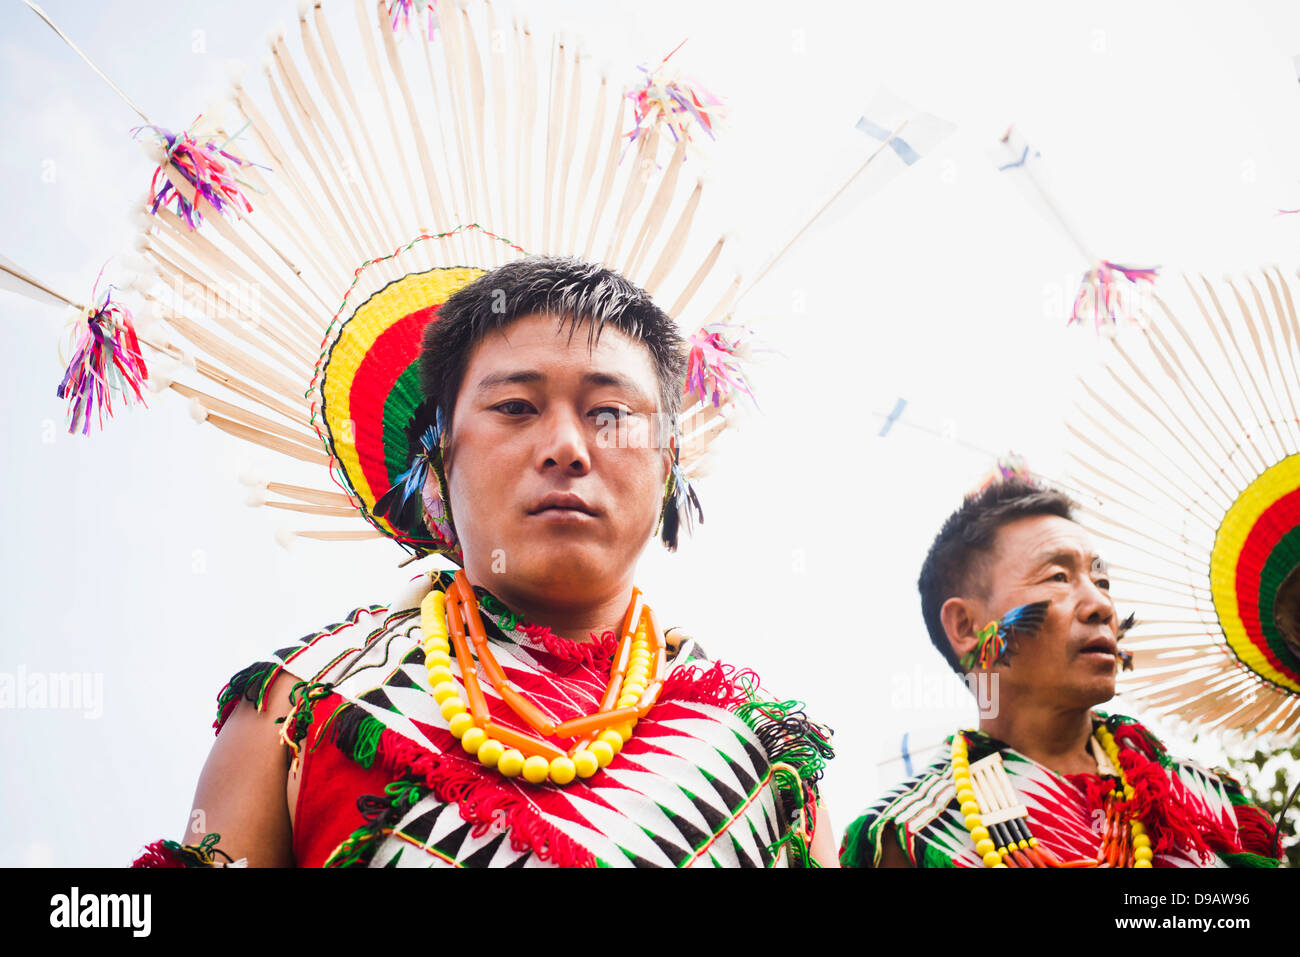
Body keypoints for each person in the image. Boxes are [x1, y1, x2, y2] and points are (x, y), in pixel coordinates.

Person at [132, 257, 836, 869]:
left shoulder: (761, 754)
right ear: (439, 461)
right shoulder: (302, 706)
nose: (566, 446)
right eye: (516, 406)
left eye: (611, 411)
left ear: (667, 462)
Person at [839, 477, 1280, 869]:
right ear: (966, 627)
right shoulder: (917, 835)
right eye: (1057, 576)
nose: (1102, 606)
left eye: (1101, 581)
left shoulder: (1208, 805)